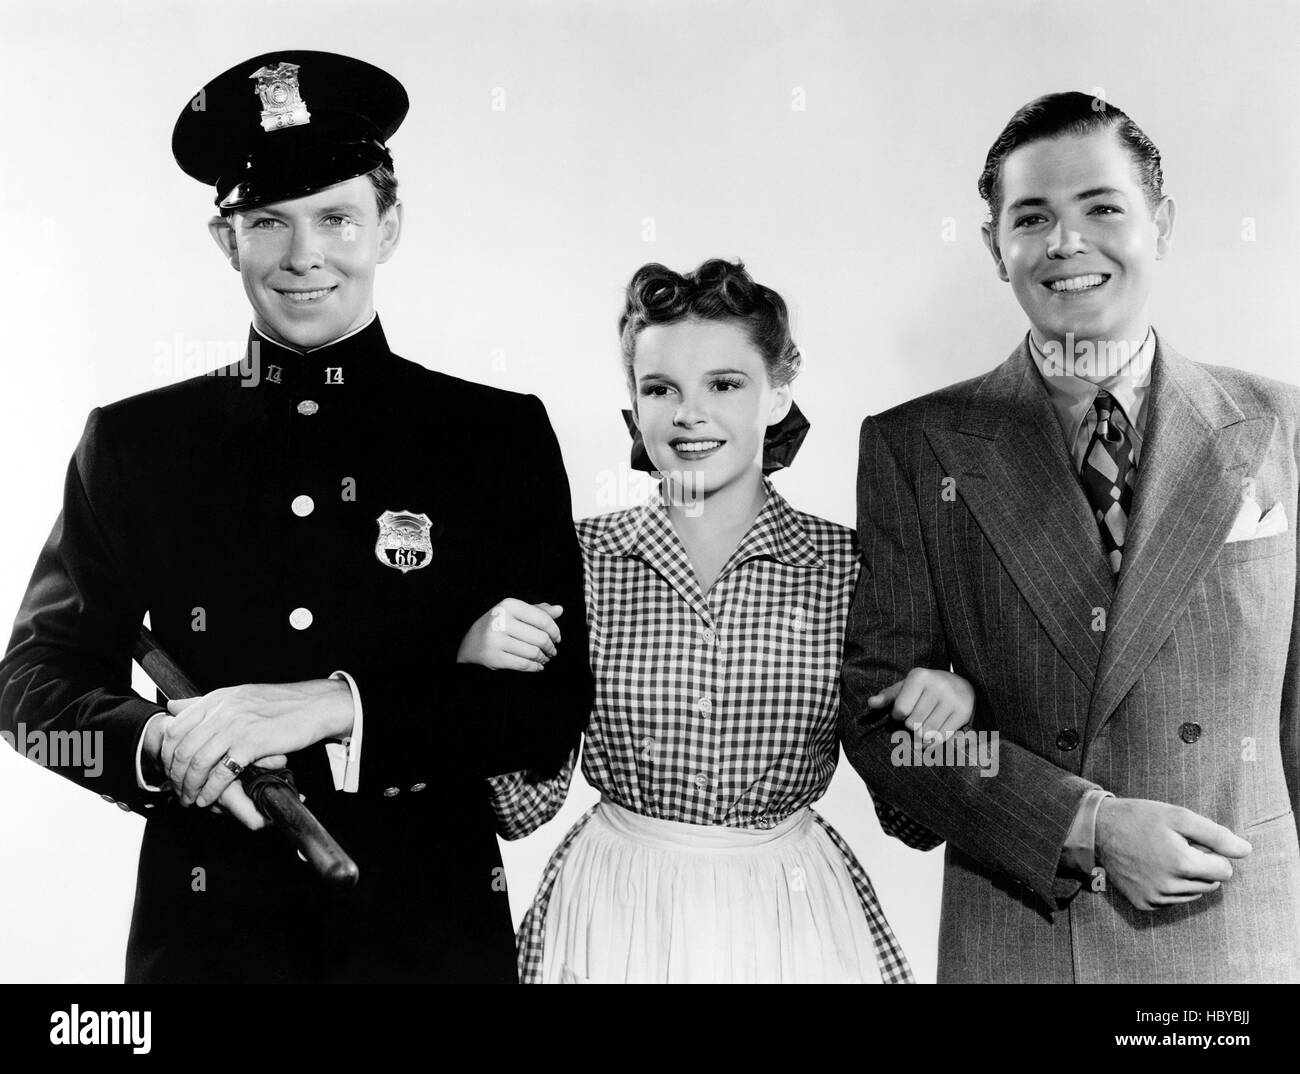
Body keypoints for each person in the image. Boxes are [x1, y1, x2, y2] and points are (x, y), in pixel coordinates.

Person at [0, 50, 592, 983]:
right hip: (207, 939)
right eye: (268, 222)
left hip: (427, 935)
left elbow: (550, 708)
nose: (304, 255)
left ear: (389, 226)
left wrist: (335, 705)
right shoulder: (135, 441)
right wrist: (154, 744)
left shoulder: (495, 435)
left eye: (337, 218)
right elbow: (30, 693)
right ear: (224, 239)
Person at [839, 91, 1300, 983]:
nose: (1065, 243)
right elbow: (884, 723)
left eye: (1102, 209)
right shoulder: (916, 445)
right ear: (993, 245)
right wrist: (1083, 824)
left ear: (1160, 224)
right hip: (1028, 941)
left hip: (1241, 941)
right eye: (1033, 217)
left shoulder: (1283, 425)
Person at [482, 258, 971, 983]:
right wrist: (483, 670)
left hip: (791, 915)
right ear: (633, 405)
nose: (689, 414)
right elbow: (524, 810)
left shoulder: (847, 566)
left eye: (724, 383)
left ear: (777, 396)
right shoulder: (578, 559)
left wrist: (951, 715)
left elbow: (914, 824)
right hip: (615, 913)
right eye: (660, 388)